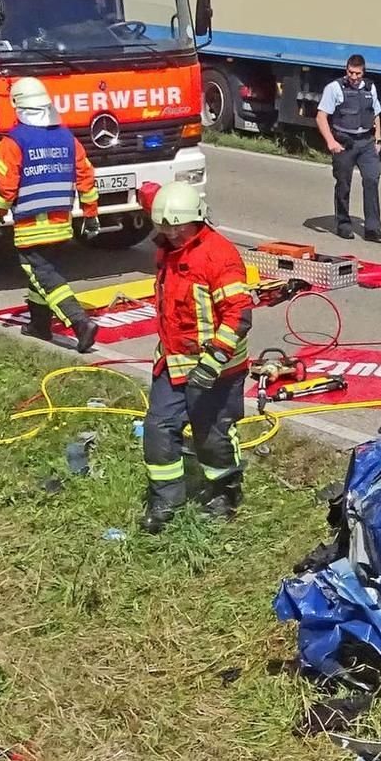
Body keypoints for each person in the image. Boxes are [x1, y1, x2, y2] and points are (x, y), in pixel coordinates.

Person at [138, 179, 253, 532]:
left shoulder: (219, 256)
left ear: (197, 219)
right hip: (173, 362)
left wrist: (214, 360)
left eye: (177, 226)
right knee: (157, 428)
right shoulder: (168, 247)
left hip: (218, 369)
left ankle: (224, 492)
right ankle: (165, 502)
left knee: (211, 434)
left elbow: (239, 314)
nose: (170, 232)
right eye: (164, 225)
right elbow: (149, 195)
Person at [0, 76, 100, 354]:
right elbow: (86, 176)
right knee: (40, 276)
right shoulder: (67, 137)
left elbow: (6, 185)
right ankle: (40, 325)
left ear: (17, 106)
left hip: (31, 226)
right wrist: (91, 214)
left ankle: (80, 323)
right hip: (61, 224)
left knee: (44, 276)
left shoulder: (14, 140)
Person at [316, 53, 381, 242]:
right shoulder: (335, 88)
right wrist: (331, 141)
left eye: (358, 73)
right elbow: (321, 116)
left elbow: (376, 113)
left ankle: (372, 228)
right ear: (346, 70)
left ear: (363, 72)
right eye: (351, 73)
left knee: (372, 179)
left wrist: (378, 138)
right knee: (343, 183)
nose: (354, 77)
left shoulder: (370, 88)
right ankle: (343, 224)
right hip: (344, 142)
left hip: (366, 142)